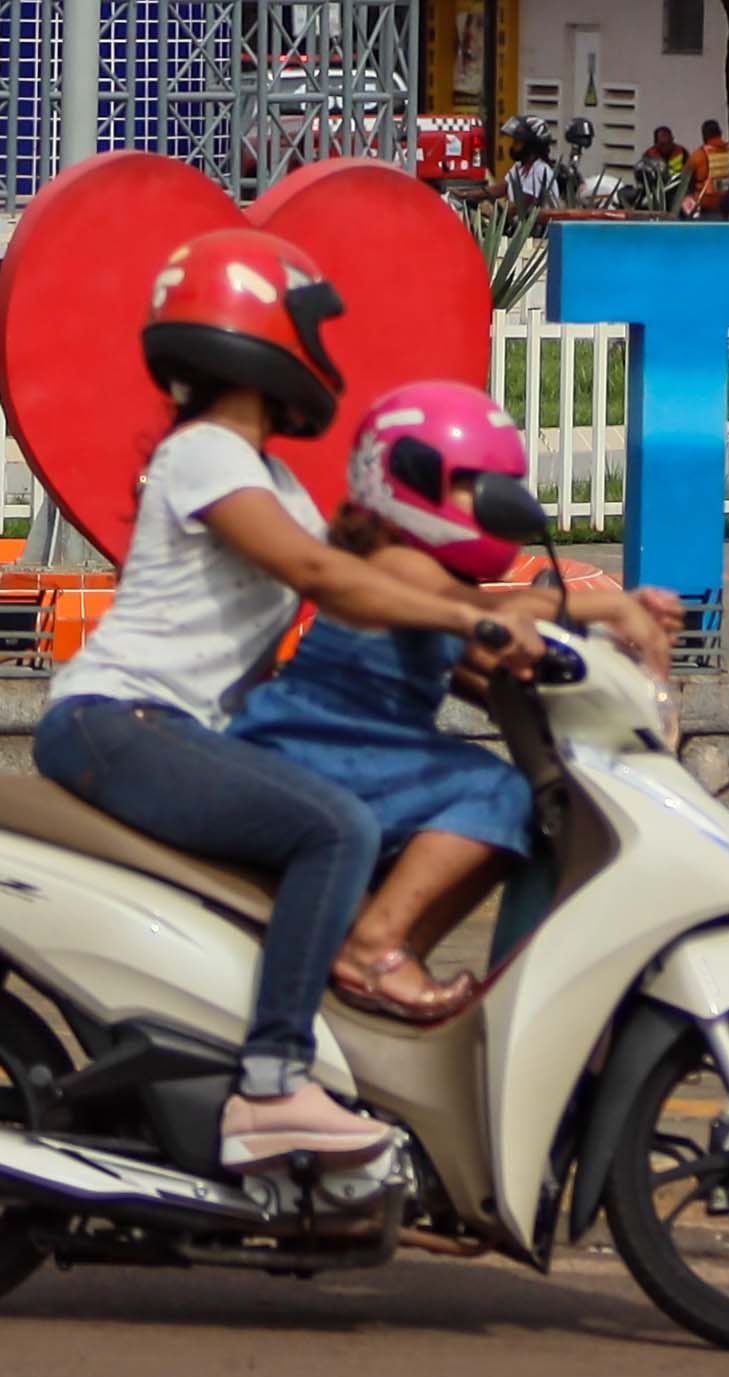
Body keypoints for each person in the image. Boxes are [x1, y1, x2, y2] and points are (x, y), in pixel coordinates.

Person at [28, 235, 545, 1185]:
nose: (322, 352)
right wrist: (487, 616)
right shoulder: (204, 454)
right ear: (257, 326)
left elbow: (362, 594)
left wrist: (494, 650)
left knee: (364, 819)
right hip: (115, 720)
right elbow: (323, 580)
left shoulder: (271, 479)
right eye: (309, 328)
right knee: (334, 827)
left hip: (165, 732)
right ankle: (270, 1086)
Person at [230, 377, 675, 1030]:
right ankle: (375, 946)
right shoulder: (399, 566)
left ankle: (388, 957)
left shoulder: (418, 574)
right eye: (471, 484)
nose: (490, 503)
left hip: (354, 751)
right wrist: (609, 602)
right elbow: (487, 610)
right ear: (406, 480)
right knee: (491, 793)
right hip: (314, 749)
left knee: (503, 811)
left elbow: (476, 658)